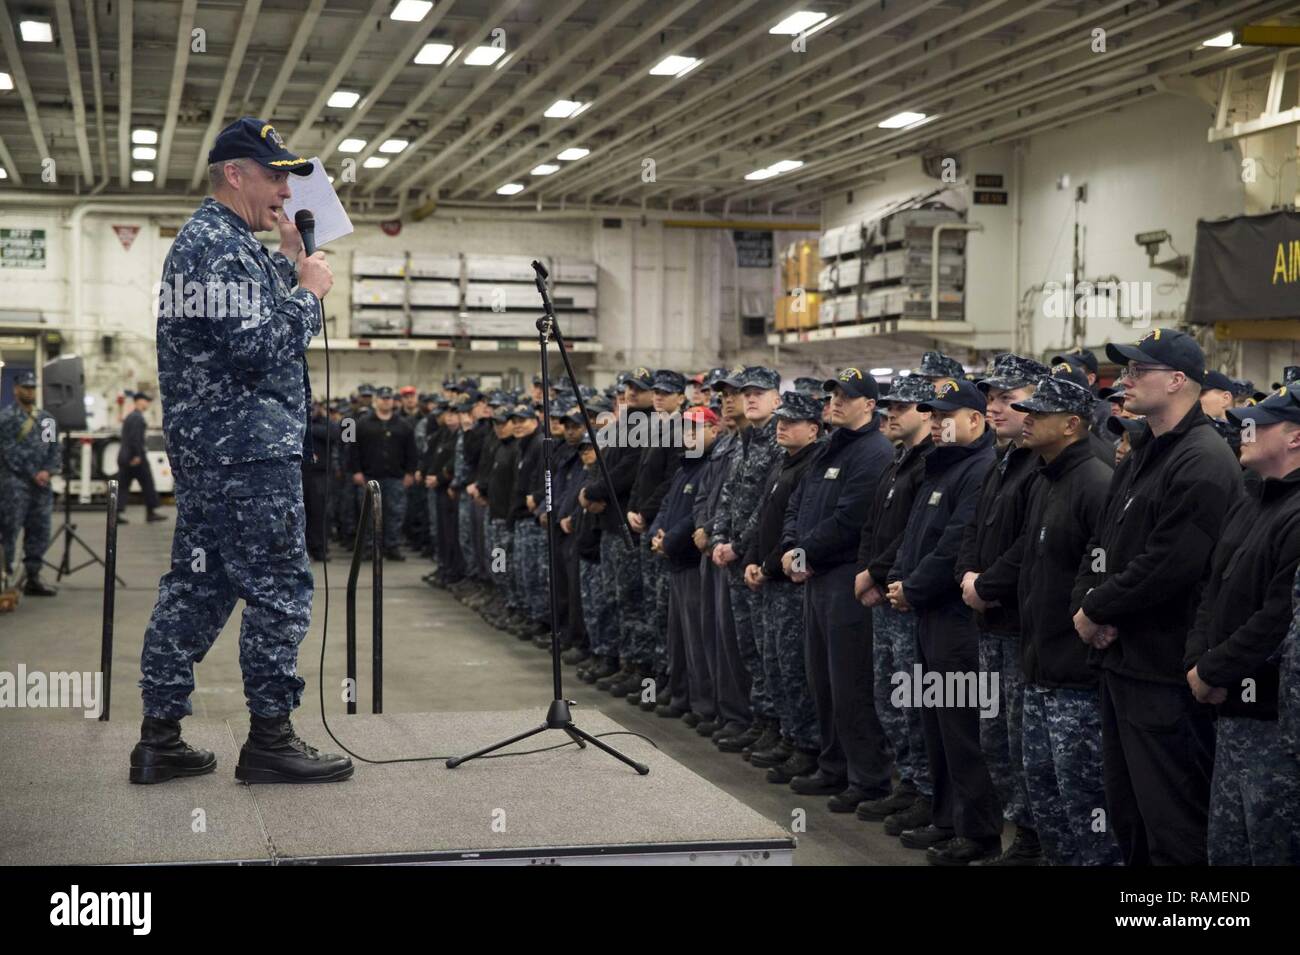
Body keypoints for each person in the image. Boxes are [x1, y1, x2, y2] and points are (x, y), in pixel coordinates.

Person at [131, 115, 351, 785]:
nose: (285, 192)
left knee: (200, 585)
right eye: (274, 176)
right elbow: (255, 349)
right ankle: (270, 738)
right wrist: (309, 293)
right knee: (280, 588)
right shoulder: (217, 246)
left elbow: (240, 334)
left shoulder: (219, 243)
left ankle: (159, 737)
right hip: (246, 454)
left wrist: (285, 264)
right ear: (235, 173)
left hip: (216, 453)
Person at [1072, 328, 1242, 865]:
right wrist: (1087, 603)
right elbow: (1101, 542)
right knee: (1130, 814)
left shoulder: (1203, 460)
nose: (1125, 380)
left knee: (1172, 819)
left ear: (1177, 380)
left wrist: (1098, 607)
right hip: (1122, 662)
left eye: (1138, 371)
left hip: (1164, 670)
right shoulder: (1145, 450)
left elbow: (1170, 563)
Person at [991, 375, 1120, 865]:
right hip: (1039, 667)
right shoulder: (1047, 478)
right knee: (1046, 798)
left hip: (1076, 675)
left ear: (1071, 424)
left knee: (1085, 801)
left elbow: (1106, 567)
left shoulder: (1095, 480)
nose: (1027, 420)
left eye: (1039, 414)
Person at [1184, 387, 1300, 864]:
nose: (1243, 430)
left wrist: (1213, 671)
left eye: (1260, 423)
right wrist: (1199, 664)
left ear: (1295, 437)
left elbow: (1277, 619)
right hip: (1230, 708)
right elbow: (1212, 591)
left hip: (1274, 719)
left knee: (1273, 849)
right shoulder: (1252, 498)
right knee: (1228, 849)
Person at [887, 377, 1000, 864]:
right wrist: (898, 578)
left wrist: (912, 587)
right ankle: (946, 818)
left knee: (960, 728)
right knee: (934, 724)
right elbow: (914, 535)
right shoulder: (941, 468)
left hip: (955, 619)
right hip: (928, 614)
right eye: (931, 418)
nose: (935, 426)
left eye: (944, 418)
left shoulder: (979, 469)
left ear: (974, 420)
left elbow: (954, 544)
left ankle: (976, 832)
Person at [780, 367, 895, 812]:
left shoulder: (874, 453)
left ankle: (867, 777)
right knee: (822, 680)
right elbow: (798, 503)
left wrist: (803, 553)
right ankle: (833, 766)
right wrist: (792, 548)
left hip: (846, 580)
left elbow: (851, 521)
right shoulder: (830, 447)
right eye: (832, 396)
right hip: (816, 578)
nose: (835, 403)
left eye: (846, 397)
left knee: (851, 684)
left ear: (869, 404)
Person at [956, 354, 1048, 865]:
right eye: (989, 397)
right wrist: (968, 576)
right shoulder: (1004, 459)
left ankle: (1032, 842)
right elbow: (976, 528)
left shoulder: (1041, 462)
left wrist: (987, 584)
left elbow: (1028, 544)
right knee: (996, 739)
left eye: (1006, 397)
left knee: (1023, 743)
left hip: (1016, 625)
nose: (994, 407)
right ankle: (1020, 838)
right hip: (988, 621)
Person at [853, 375, 935, 831]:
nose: (890, 414)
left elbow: (911, 533)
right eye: (888, 406)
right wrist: (866, 570)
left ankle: (923, 789)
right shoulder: (897, 461)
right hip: (880, 594)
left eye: (901, 407)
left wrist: (876, 572)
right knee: (888, 697)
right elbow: (873, 524)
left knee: (911, 700)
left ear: (925, 412)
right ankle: (906, 781)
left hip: (902, 598)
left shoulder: (928, 465)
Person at [743, 391, 825, 780]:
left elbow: (798, 526)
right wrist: (751, 561)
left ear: (813, 429)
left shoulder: (811, 466)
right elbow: (764, 520)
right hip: (771, 577)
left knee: (794, 668)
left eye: (791, 422)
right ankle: (788, 735)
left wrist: (769, 565)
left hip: (791, 583)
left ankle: (806, 744)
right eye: (780, 420)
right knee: (774, 664)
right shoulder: (782, 463)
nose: (781, 426)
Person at [0, 370, 60, 596]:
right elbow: (8, 451)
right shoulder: (5, 419)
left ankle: (32, 578)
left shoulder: (46, 420)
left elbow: (53, 448)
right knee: (9, 532)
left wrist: (47, 470)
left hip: (41, 487)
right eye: (26, 387)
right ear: (16, 390)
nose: (30, 391)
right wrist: (34, 472)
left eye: (33, 388)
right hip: (14, 486)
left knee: (39, 531)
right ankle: (4, 579)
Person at [349, 386, 417, 561]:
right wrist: (356, 471)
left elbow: (412, 452)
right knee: (368, 515)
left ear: (393, 401)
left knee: (395, 513)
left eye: (389, 398)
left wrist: (410, 472)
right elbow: (353, 450)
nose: (386, 401)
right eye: (383, 398)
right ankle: (370, 547)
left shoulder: (404, 425)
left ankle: (392, 546)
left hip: (395, 477)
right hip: (369, 477)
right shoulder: (362, 423)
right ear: (376, 401)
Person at [115, 391, 166, 525]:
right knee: (148, 484)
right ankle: (151, 513)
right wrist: (137, 455)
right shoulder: (137, 418)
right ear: (139, 401)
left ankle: (117, 513)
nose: (148, 403)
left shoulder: (130, 416)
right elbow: (135, 438)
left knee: (123, 486)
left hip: (125, 456)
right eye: (146, 401)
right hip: (135, 457)